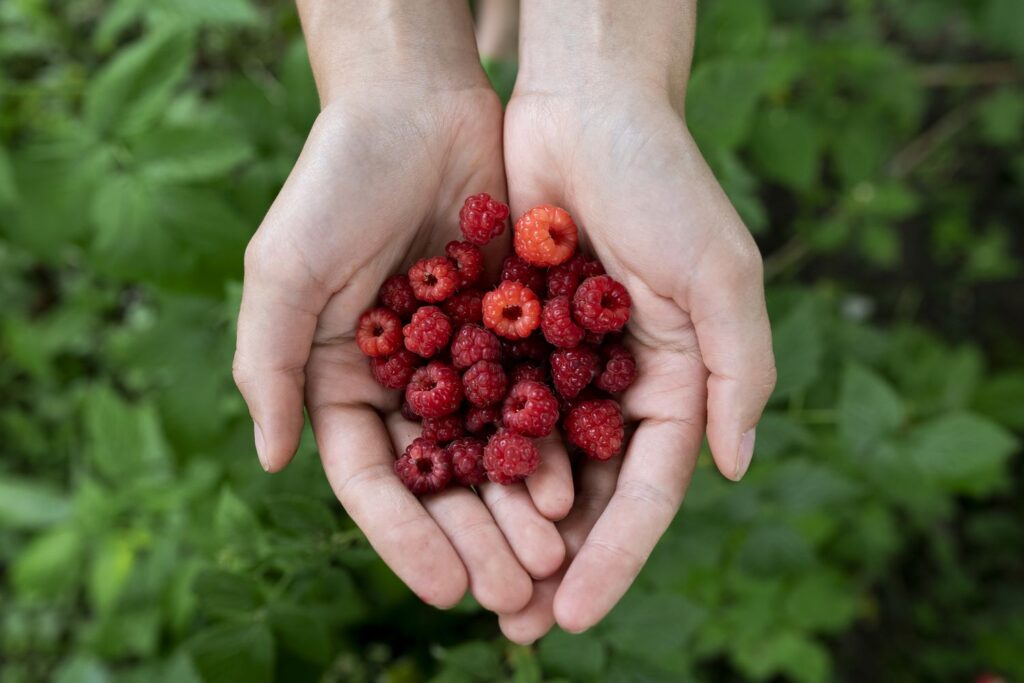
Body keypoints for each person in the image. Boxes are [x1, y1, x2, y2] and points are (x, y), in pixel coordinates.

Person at [232, 0, 776, 644]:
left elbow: (533, 360)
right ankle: (498, 29)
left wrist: (607, 83)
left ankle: (503, 28)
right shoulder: (472, 352)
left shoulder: (541, 340)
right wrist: (388, 88)